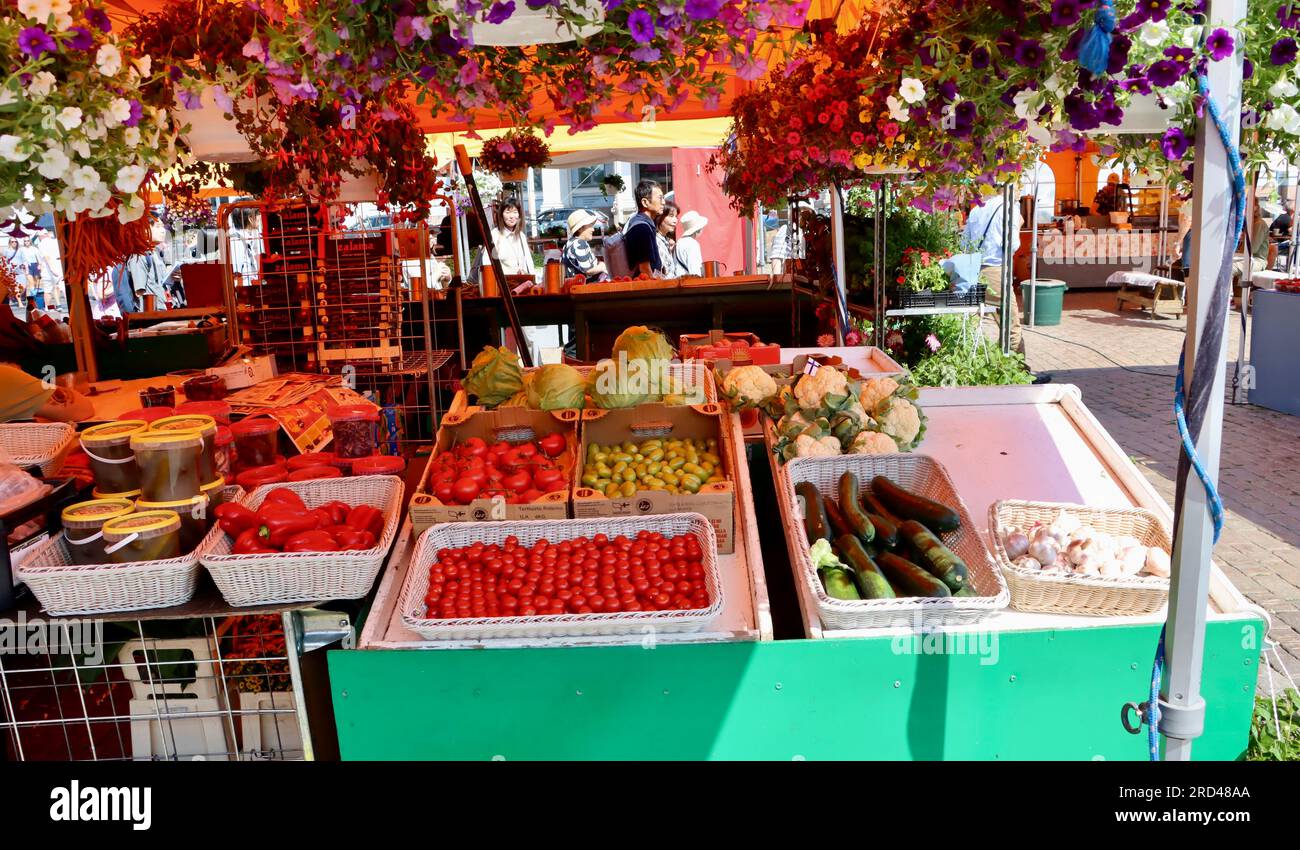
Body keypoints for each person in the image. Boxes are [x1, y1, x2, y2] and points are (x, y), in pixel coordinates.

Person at [963, 193, 1025, 357]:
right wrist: (1018, 224)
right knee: (1011, 324)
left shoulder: (976, 210)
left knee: (972, 323)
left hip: (974, 271)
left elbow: (964, 243)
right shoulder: (1009, 207)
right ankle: (1018, 373)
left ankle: (979, 364)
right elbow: (1011, 244)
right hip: (995, 270)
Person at [624, 179, 664, 277]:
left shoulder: (643, 224)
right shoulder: (641, 227)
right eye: (660, 198)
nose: (663, 202)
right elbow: (644, 268)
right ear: (645, 202)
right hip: (645, 288)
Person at [488, 196, 535, 278]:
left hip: (521, 285)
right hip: (503, 287)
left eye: (515, 212)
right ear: (501, 215)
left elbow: (529, 262)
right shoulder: (495, 236)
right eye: (508, 212)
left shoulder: (521, 236)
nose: (512, 216)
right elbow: (488, 264)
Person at [562, 209, 607, 281]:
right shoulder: (579, 243)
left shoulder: (570, 243)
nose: (593, 229)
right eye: (590, 226)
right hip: (583, 286)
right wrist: (603, 267)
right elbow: (589, 270)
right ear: (580, 229)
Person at [37, 230, 64, 311]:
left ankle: (48, 308)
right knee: (58, 287)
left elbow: (46, 256)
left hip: (50, 269)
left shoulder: (41, 244)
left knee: (48, 290)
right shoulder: (55, 241)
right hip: (57, 267)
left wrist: (52, 269)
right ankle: (58, 305)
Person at [654, 201, 682, 278]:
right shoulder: (655, 241)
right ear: (660, 217)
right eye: (671, 216)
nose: (675, 220)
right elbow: (657, 274)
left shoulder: (666, 241)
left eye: (676, 216)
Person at [675, 211, 707, 277]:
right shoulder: (692, 244)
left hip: (678, 281)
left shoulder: (678, 243)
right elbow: (695, 271)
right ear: (698, 229)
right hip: (689, 283)